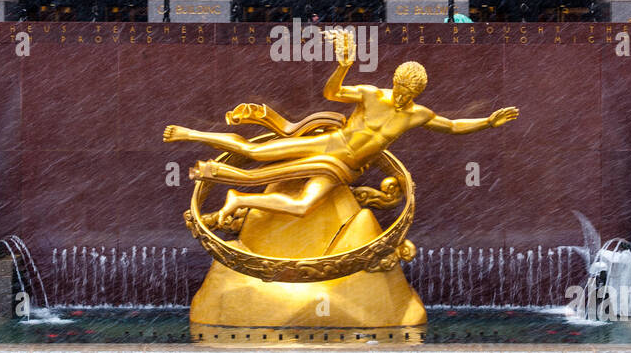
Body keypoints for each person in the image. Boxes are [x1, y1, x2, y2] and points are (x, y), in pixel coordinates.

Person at [165, 30, 518, 228]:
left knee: (303, 206)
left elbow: (453, 126)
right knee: (254, 152)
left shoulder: (417, 114)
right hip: (327, 145)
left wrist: (487, 122)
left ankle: (239, 198)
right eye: (401, 91)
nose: (403, 99)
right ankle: (190, 134)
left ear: (418, 94)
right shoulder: (370, 94)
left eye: (410, 95)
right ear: (394, 82)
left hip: (343, 168)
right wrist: (343, 66)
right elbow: (331, 93)